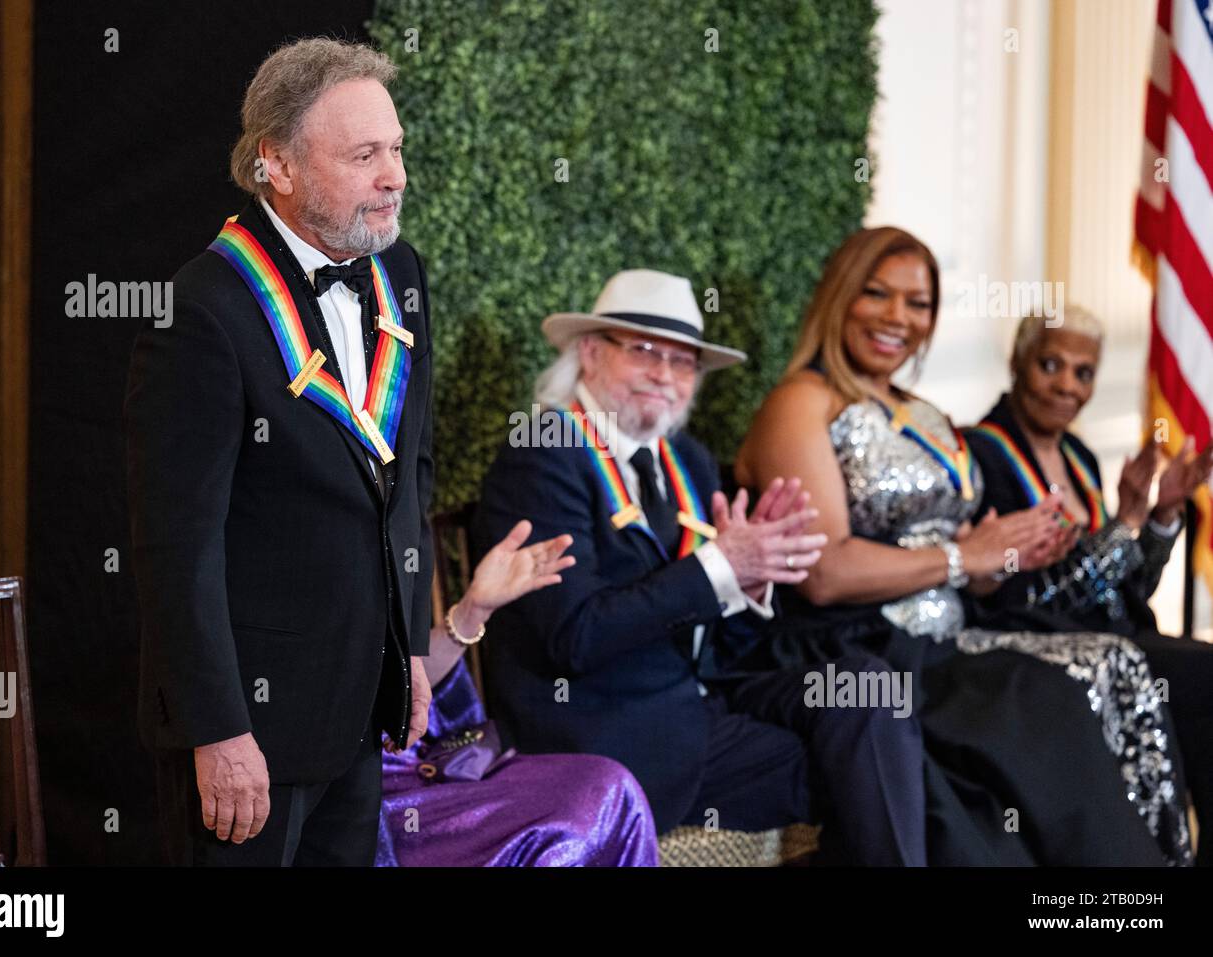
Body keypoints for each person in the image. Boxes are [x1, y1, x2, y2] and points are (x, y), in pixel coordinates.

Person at [735, 226, 1192, 865]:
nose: (898, 317)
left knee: (1110, 669)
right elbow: (824, 572)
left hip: (949, 630)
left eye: (917, 303)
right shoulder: (801, 402)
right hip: (857, 641)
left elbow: (969, 560)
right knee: (1054, 692)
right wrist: (963, 558)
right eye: (877, 294)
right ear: (840, 297)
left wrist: (1004, 552)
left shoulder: (920, 410)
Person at [472, 269, 930, 866]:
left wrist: (751, 584)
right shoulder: (544, 451)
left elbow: (717, 640)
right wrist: (719, 567)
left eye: (683, 362)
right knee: (871, 779)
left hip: (701, 703)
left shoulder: (686, 459)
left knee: (871, 690)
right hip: (606, 732)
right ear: (589, 352)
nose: (665, 375)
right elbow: (574, 637)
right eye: (644, 352)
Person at [126, 39, 435, 866]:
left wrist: (411, 645)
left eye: (396, 149)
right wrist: (219, 727)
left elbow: (410, 479)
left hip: (359, 710)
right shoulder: (203, 310)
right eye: (365, 154)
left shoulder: (399, 271)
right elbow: (176, 546)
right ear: (278, 165)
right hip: (248, 734)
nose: (394, 176)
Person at [965, 306, 1213, 864]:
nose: (1067, 386)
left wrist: (1159, 518)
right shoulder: (981, 453)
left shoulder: (1076, 455)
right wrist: (1122, 526)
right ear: (1018, 364)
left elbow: (1129, 588)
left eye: (1083, 372)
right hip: (1039, 644)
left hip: (1116, 635)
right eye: (1050, 364)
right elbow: (1023, 598)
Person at [376, 519, 660, 866]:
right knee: (565, 830)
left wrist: (471, 611)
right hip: (369, 793)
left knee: (611, 786)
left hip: (431, 761)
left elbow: (406, 676)